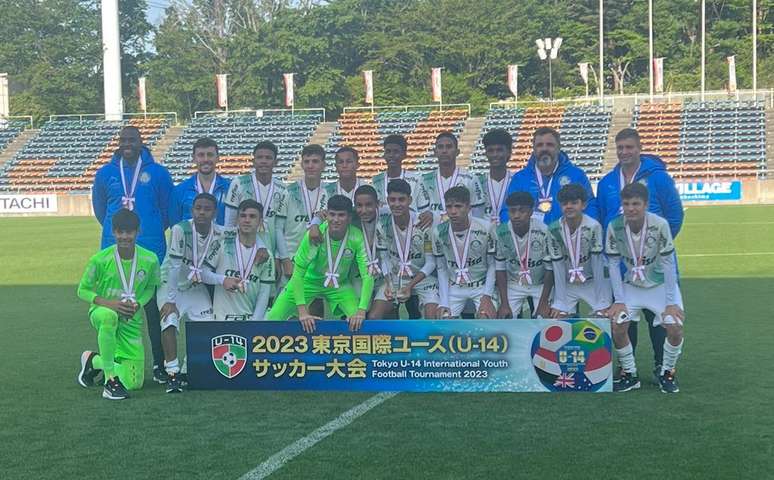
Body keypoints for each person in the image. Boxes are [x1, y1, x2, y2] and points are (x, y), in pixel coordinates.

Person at [596, 128, 684, 380]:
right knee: (625, 317)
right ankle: (627, 368)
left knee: (660, 318)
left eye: (629, 147)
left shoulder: (659, 178)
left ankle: (661, 366)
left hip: (655, 265)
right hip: (622, 264)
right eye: (620, 148)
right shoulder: (606, 182)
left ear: (639, 148)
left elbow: (675, 215)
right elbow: (602, 218)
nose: (624, 152)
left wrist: (648, 247)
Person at [91, 125, 173, 383]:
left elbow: (167, 211)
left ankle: (160, 365)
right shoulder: (105, 173)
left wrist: (149, 231)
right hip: (115, 253)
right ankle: (112, 366)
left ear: (141, 142)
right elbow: (100, 209)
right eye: (123, 140)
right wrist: (116, 233)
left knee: (153, 312)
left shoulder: (158, 173)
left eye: (132, 140)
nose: (127, 144)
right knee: (114, 313)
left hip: (151, 251)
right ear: (118, 142)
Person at [606, 183, 685, 394]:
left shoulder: (660, 225)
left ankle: (667, 372)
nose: (631, 208)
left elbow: (669, 264)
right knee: (618, 324)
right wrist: (619, 300)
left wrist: (671, 303)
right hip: (632, 285)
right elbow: (613, 264)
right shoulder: (614, 226)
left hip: (659, 285)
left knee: (675, 326)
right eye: (626, 204)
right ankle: (629, 374)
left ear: (646, 205)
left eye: (636, 204)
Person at [76, 209, 161, 400]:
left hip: (131, 319)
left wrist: (138, 304)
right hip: (102, 312)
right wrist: (110, 304)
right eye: (120, 232)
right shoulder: (100, 260)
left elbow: (150, 288)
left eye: (129, 232)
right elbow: (82, 290)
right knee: (109, 317)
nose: (124, 237)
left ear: (137, 232)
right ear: (113, 232)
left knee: (134, 383)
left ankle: (93, 360)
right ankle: (110, 380)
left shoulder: (150, 259)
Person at [266, 195, 374, 333]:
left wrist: (361, 311)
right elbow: (298, 274)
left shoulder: (357, 237)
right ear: (326, 215)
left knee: (359, 321)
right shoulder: (315, 234)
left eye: (341, 215)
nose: (336, 220)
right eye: (332, 215)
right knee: (273, 318)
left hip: (339, 285)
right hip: (308, 282)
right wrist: (303, 312)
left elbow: (367, 275)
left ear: (349, 218)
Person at [157, 193, 223, 393]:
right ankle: (172, 373)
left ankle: (188, 369)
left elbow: (242, 235)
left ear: (215, 213)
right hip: (171, 285)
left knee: (208, 325)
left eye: (207, 209)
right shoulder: (180, 229)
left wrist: (261, 247)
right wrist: (170, 301)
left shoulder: (219, 233)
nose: (201, 212)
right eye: (198, 208)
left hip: (196, 285)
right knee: (169, 321)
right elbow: (174, 267)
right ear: (192, 210)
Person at [499, 127, 597, 226]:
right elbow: (506, 211)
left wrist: (583, 231)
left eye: (550, 145)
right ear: (534, 149)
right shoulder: (520, 179)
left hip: (566, 234)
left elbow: (590, 207)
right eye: (539, 145)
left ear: (558, 148)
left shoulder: (576, 175)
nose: (544, 149)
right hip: (531, 235)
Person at [371, 179, 439, 320]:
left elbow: (431, 263)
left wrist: (410, 286)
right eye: (392, 200)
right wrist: (389, 283)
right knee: (374, 317)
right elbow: (384, 259)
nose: (396, 204)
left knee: (432, 319)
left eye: (401, 199)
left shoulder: (423, 224)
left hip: (423, 278)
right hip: (395, 278)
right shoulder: (382, 225)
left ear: (410, 200)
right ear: (387, 201)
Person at [204, 199, 275, 321]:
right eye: (243, 216)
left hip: (250, 320)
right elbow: (202, 273)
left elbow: (264, 294)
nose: (247, 220)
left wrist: (254, 323)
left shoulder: (266, 256)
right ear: (237, 219)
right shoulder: (222, 245)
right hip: (222, 319)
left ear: (260, 222)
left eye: (252, 216)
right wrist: (222, 279)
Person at [432, 186, 496, 319]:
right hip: (454, 287)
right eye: (449, 207)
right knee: (443, 322)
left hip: (481, 285)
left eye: (458, 206)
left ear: (468, 207)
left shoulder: (486, 228)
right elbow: (441, 268)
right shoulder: (438, 232)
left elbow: (492, 265)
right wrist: (444, 302)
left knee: (486, 319)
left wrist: (487, 296)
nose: (453, 211)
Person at [547, 184, 610, 317]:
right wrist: (560, 301)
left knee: (605, 317)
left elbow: (597, 264)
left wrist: (601, 300)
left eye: (574, 203)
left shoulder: (593, 226)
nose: (569, 206)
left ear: (584, 205)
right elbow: (558, 266)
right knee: (558, 318)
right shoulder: (553, 229)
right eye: (565, 203)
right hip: (567, 283)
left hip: (592, 281)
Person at [222, 140, 282, 275]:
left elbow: (281, 228)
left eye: (268, 158)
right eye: (260, 157)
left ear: (276, 162)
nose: (263, 161)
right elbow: (229, 223)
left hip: (271, 252)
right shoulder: (239, 183)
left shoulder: (282, 189)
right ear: (253, 161)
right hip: (241, 251)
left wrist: (278, 257)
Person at [494, 192, 553, 319]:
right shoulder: (501, 232)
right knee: (505, 318)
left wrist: (543, 303)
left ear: (531, 212)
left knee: (544, 319)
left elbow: (550, 269)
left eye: (522, 211)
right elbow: (500, 268)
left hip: (540, 284)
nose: (516, 215)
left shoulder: (544, 231)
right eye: (512, 211)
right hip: (514, 283)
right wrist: (504, 303)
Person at [282, 144, 330, 276]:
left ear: (324, 165)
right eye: (307, 161)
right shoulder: (289, 192)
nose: (310, 165)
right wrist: (284, 259)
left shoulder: (330, 192)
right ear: (302, 164)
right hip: (292, 258)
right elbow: (278, 228)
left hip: (320, 261)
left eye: (315, 161)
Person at [420, 132, 485, 224]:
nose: (444, 151)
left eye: (449, 147)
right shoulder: (424, 180)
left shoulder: (470, 179)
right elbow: (421, 212)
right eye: (440, 147)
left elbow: (478, 214)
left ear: (457, 152)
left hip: (462, 231)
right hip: (433, 231)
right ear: (435, 152)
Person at [168, 137, 231, 226]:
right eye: (201, 155)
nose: (205, 159)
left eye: (210, 155)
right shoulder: (179, 192)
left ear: (217, 158)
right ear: (194, 158)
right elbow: (176, 226)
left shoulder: (230, 189)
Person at [370, 134, 429, 214]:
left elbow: (424, 211)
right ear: (384, 155)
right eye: (388, 151)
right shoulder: (376, 181)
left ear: (404, 155)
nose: (391, 155)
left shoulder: (416, 180)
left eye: (396, 151)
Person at [352, 185, 383, 313]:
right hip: (360, 276)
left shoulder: (388, 215)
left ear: (377, 204)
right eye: (359, 205)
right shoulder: (349, 218)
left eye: (369, 205)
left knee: (384, 313)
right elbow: (327, 216)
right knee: (356, 314)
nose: (364, 210)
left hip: (383, 275)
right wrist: (315, 222)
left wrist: (430, 214)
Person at [476, 128, 514, 224]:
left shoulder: (517, 181)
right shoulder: (477, 183)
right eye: (491, 150)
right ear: (486, 153)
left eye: (499, 150)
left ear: (509, 152)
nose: (495, 154)